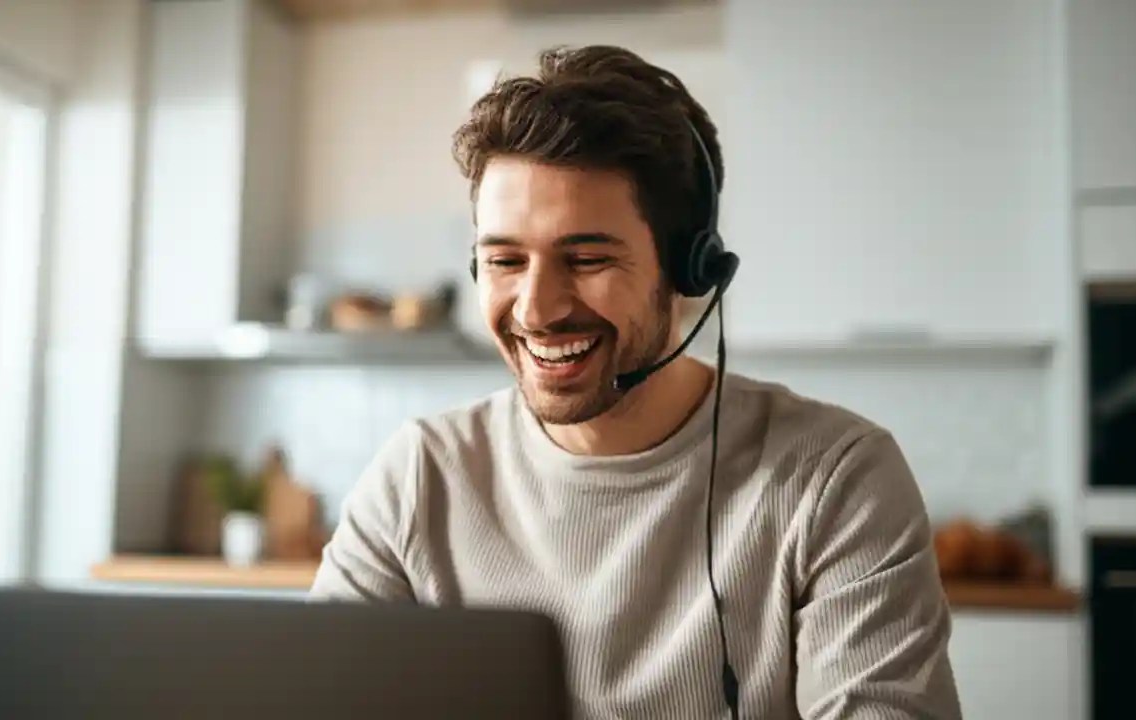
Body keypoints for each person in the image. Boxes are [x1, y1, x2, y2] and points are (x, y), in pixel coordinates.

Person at [310, 45, 962, 720]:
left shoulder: (835, 479)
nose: (536, 309)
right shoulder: (419, 477)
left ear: (687, 268)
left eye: (587, 258)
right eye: (503, 259)